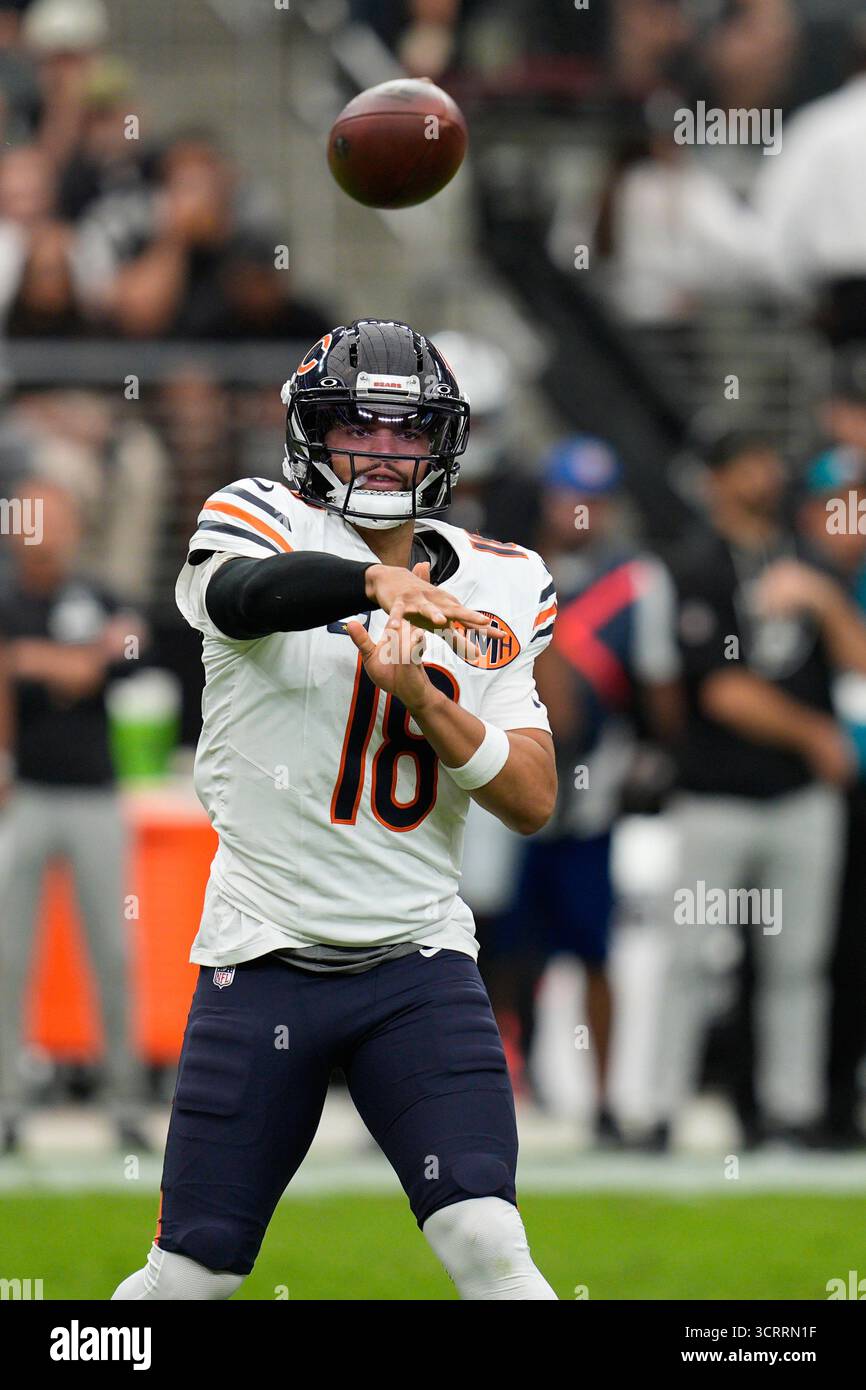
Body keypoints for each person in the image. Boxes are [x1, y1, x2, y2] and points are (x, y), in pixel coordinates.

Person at [113, 319, 559, 1301]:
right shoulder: (259, 515)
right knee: (192, 1275)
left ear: (443, 446)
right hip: (263, 955)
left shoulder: (499, 578)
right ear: (309, 431)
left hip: (416, 964)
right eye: (358, 424)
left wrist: (426, 702)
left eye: (406, 433)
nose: (382, 451)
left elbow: (529, 798)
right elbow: (241, 595)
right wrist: (370, 582)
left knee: (488, 1241)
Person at [652, 429, 866, 1149]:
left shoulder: (805, 560)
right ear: (716, 479)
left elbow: (859, 661)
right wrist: (812, 733)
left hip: (799, 800)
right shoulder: (694, 565)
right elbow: (720, 692)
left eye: (766, 460)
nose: (764, 473)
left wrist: (826, 603)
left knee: (797, 965)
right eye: (747, 463)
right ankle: (660, 1109)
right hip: (715, 794)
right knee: (687, 959)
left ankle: (792, 1111)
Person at [493, 436, 681, 1139]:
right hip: (508, 783)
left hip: (591, 788)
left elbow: (659, 696)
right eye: (573, 496)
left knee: (593, 948)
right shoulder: (506, 571)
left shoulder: (636, 581)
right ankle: (499, 1089)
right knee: (493, 947)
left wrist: (648, 760)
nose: (582, 513)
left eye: (595, 501)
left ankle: (604, 1099)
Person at [0, 478, 147, 1153]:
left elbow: (128, 651)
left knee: (112, 952)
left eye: (53, 517)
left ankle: (123, 1099)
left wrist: (47, 662)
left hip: (93, 794)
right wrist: (70, 660)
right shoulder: (8, 600)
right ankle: (7, 1102)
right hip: (23, 794)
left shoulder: (97, 594)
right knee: (8, 955)